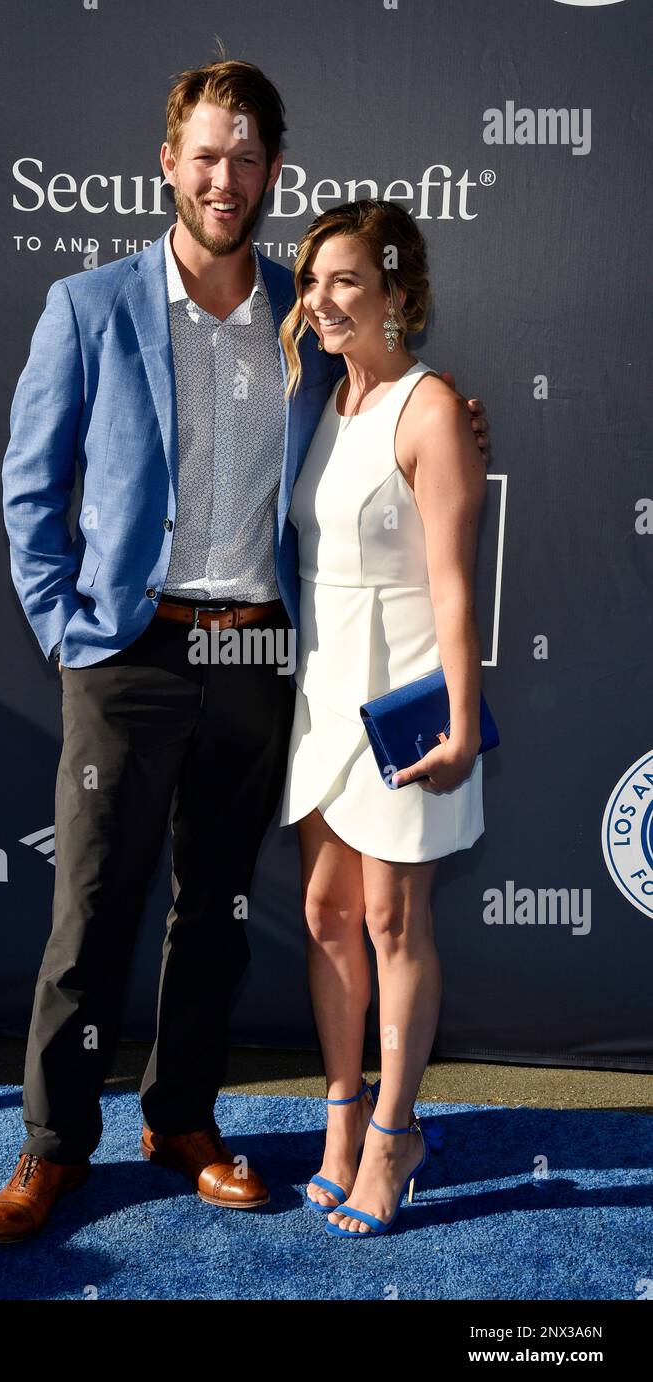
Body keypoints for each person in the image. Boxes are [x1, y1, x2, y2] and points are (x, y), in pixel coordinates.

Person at [0, 60, 490, 1243]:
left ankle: (185, 1121)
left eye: (247, 157)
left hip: (261, 658)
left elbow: (387, 415)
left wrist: (455, 421)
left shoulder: (300, 312)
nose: (225, 177)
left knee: (211, 907)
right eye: (206, 155)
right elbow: (28, 488)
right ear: (168, 162)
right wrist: (70, 631)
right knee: (93, 908)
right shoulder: (90, 305)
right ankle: (55, 1146)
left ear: (272, 171)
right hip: (129, 653)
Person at [278, 197, 487, 1237]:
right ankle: (343, 1115)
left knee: (398, 921)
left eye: (347, 280)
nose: (321, 301)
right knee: (326, 915)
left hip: (405, 700)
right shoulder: (323, 397)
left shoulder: (431, 407)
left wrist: (459, 716)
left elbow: (454, 584)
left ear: (399, 291)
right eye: (312, 281)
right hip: (323, 695)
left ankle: (397, 1133)